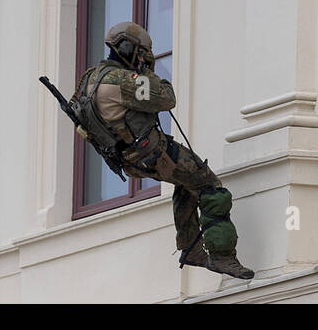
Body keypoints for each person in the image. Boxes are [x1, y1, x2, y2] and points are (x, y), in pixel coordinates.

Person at [73, 21, 255, 278]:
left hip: (130, 159)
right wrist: (147, 71)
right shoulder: (123, 81)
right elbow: (166, 97)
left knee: (186, 183)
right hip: (153, 152)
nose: (143, 58)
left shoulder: (89, 79)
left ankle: (190, 249)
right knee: (210, 186)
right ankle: (222, 256)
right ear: (128, 48)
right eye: (141, 52)